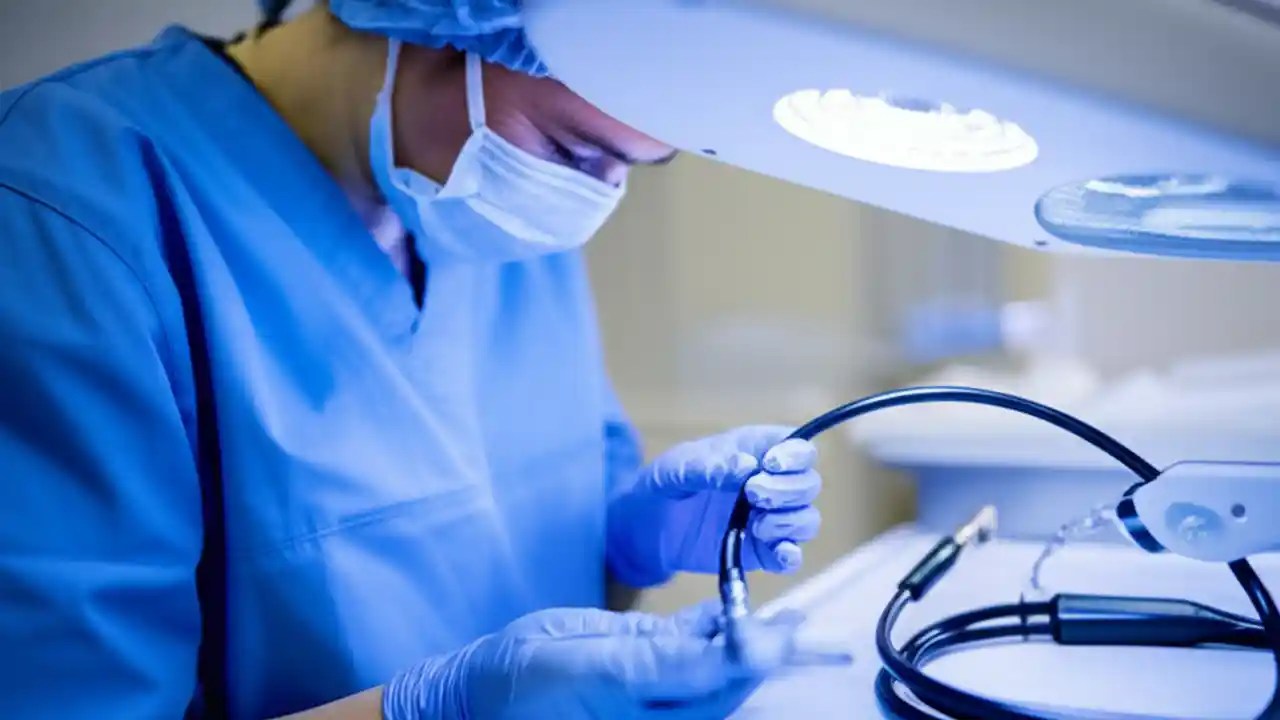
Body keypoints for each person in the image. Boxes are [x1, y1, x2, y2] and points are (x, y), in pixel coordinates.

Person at [0, 1, 826, 718]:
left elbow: (514, 566)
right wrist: (436, 708)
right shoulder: (65, 212)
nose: (597, 195)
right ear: (436, 21)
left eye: (637, 166)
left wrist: (629, 548)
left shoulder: (489, 203)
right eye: (575, 155)